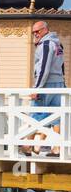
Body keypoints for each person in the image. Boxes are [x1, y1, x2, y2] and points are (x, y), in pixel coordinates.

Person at [25, 21, 65, 156]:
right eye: (33, 32)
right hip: (58, 83)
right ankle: (56, 148)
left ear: (45, 30)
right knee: (56, 116)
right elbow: (61, 66)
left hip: (47, 84)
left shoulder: (46, 44)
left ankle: (28, 146)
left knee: (35, 113)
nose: (35, 34)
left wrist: (37, 88)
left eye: (38, 31)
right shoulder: (58, 44)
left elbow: (43, 68)